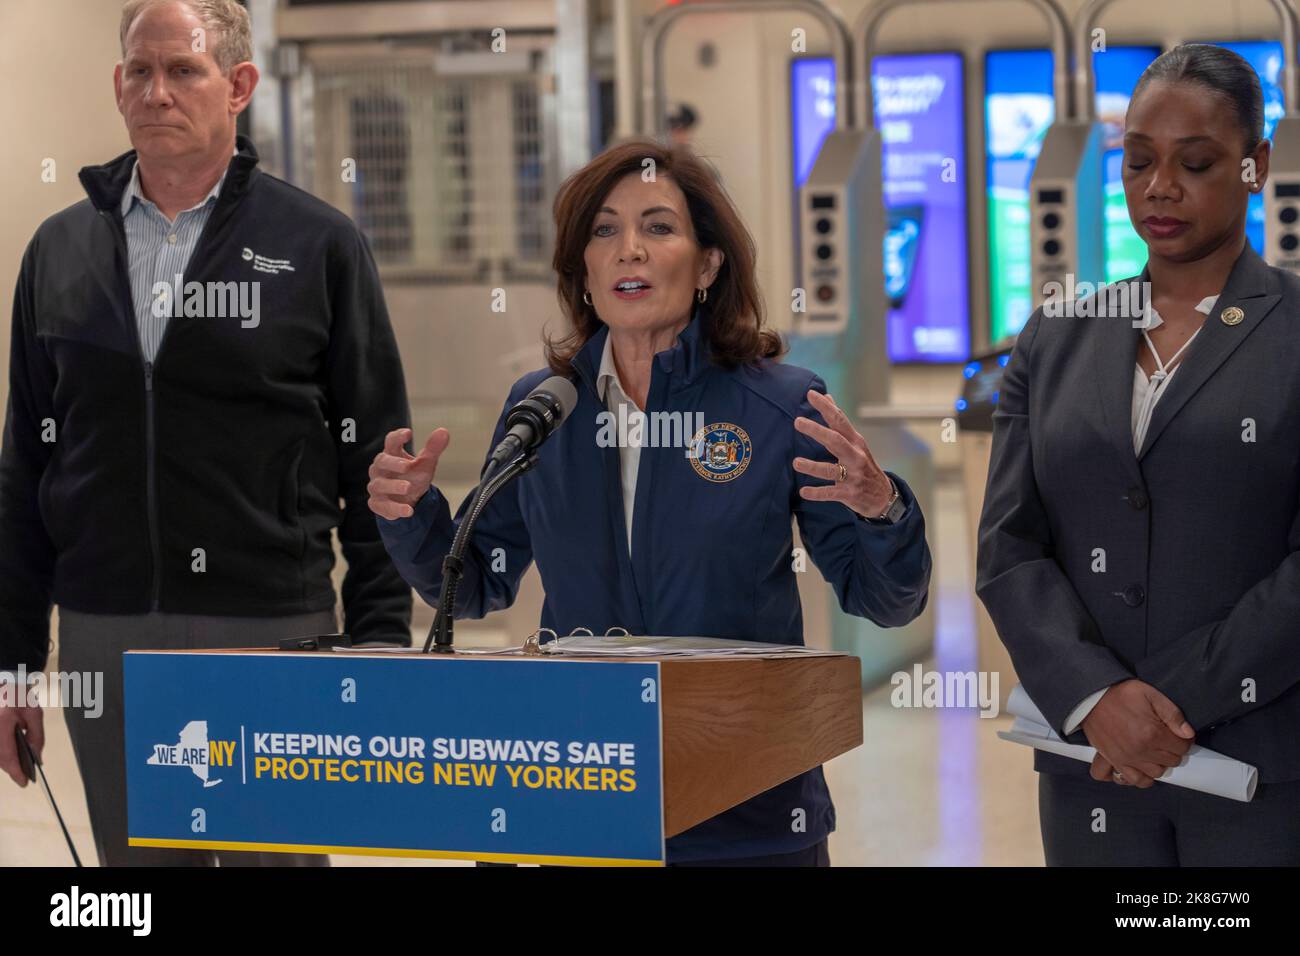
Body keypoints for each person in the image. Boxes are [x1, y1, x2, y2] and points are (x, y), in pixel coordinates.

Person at [368, 138, 931, 866]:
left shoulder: (781, 406)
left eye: (658, 227)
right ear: (584, 269)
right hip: (578, 793)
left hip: (747, 811)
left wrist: (883, 508)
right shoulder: (545, 407)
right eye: (604, 231)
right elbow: (476, 582)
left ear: (706, 265)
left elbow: (886, 601)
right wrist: (412, 511)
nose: (628, 249)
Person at [0, 0, 413, 865]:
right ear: (118, 84)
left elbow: (376, 455)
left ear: (238, 86)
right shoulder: (58, 253)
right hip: (105, 632)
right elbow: (24, 474)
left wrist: (377, 641)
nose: (157, 92)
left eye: (183, 70)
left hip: (271, 627)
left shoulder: (317, 245)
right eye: (139, 72)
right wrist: (12, 661)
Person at [977, 43, 1300, 865]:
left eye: (1196, 163)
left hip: (1261, 765)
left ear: (1256, 164)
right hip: (1092, 773)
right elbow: (1009, 548)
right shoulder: (1056, 339)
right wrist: (1095, 697)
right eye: (1139, 163)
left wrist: (1163, 706)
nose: (1160, 188)